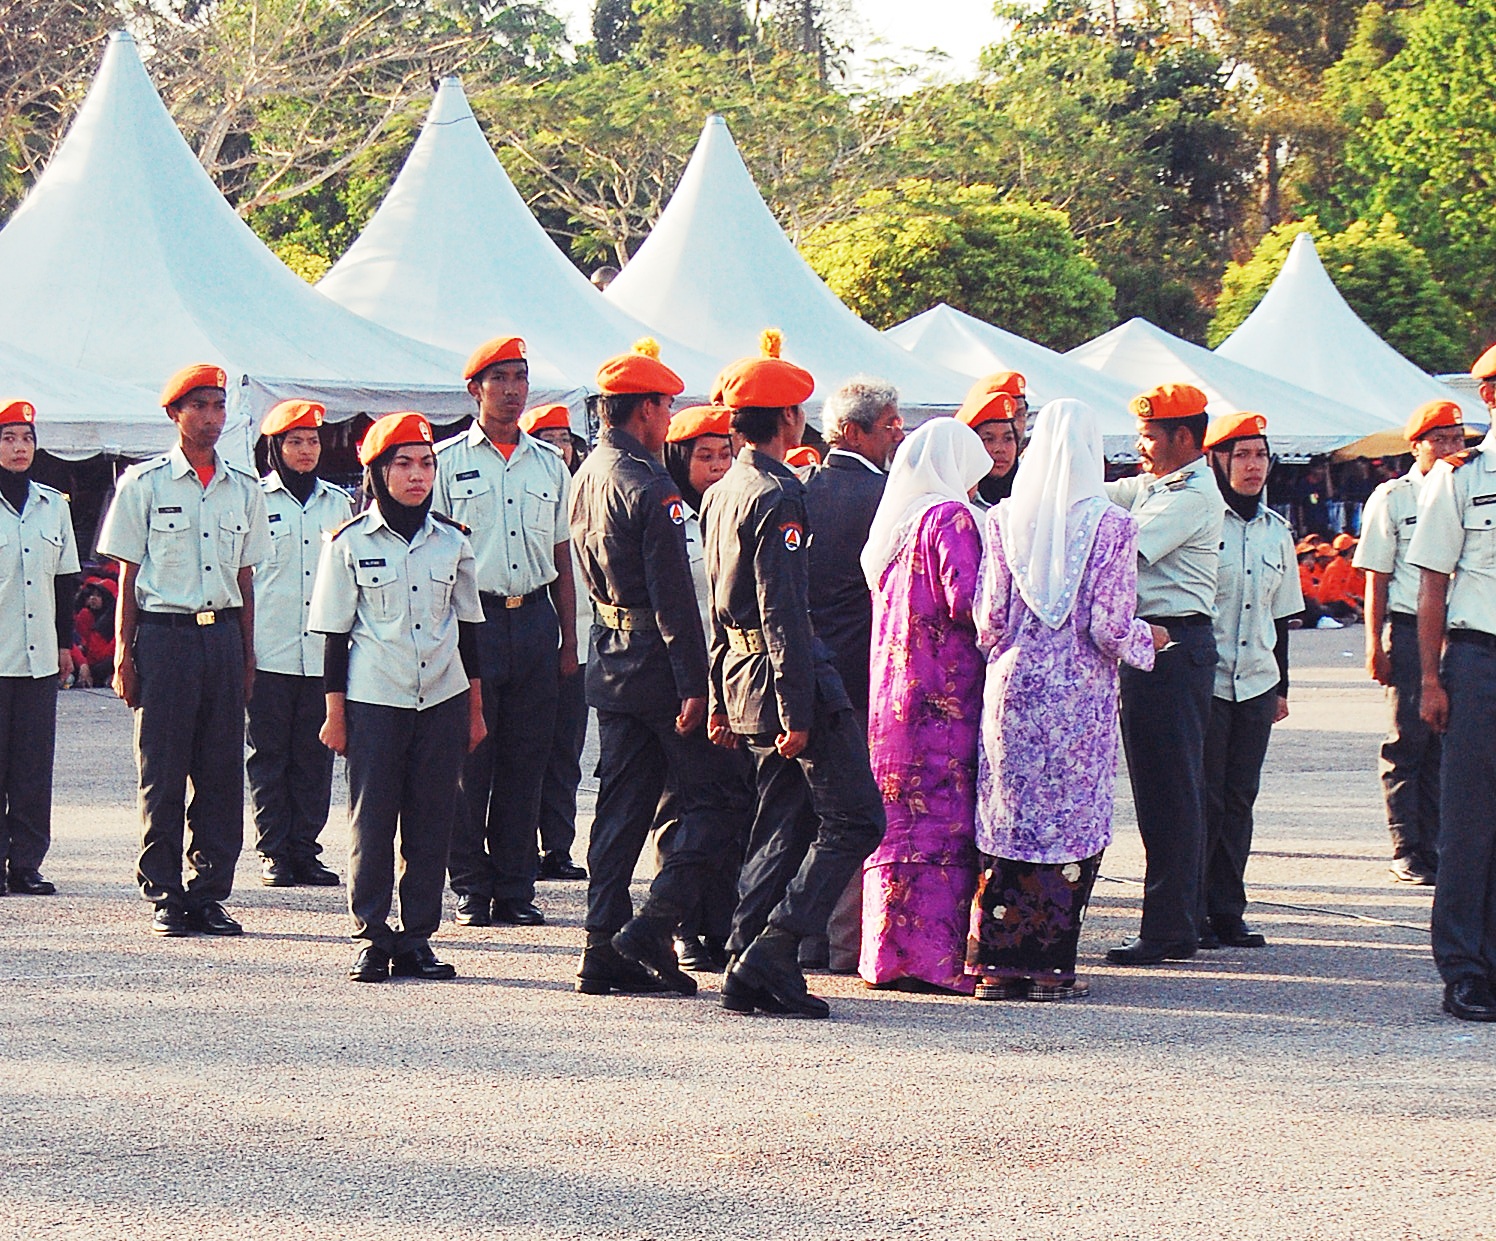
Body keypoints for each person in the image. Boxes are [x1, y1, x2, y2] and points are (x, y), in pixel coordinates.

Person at [701, 338, 886, 1019]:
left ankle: (746, 956)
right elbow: (782, 606)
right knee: (857, 817)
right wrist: (798, 706)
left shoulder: (724, 489)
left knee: (781, 824)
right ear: (787, 420)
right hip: (792, 675)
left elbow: (718, 605)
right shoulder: (780, 492)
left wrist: (723, 696)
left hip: (745, 676)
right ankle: (772, 949)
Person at [967, 399, 1162, 999]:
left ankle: (996, 965)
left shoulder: (1000, 521)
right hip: (1079, 697)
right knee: (1068, 824)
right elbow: (1109, 627)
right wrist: (1148, 642)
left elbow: (988, 622)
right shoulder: (1113, 527)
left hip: (1013, 692)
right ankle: (1050, 966)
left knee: (1011, 819)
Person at [569, 341, 740, 997]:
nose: (670, 419)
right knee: (716, 799)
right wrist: (697, 685)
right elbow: (674, 597)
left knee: (620, 808)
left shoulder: (589, 472)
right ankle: (651, 926)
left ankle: (600, 942)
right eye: (666, 406)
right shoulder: (649, 484)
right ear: (644, 410)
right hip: (661, 665)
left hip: (612, 657)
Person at [310, 412, 486, 983]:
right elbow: (335, 635)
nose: (417, 476)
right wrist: (335, 714)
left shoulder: (453, 541)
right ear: (378, 472)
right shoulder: (346, 543)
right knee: (373, 819)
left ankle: (416, 937)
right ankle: (371, 933)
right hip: (374, 697)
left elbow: (469, 630)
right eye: (404, 464)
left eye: (427, 464)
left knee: (433, 819)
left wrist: (475, 710)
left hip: (442, 696)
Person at [98, 364, 271, 937]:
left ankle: (210, 891)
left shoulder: (244, 488)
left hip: (220, 634)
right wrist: (124, 654)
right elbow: (128, 574)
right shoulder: (144, 484)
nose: (211, 418)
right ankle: (165, 890)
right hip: (165, 634)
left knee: (221, 770)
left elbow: (245, 580)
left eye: (219, 406)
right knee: (163, 769)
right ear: (174, 413)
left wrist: (246, 657)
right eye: (198, 406)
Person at [437, 336, 577, 928]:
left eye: (521, 377)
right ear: (476, 390)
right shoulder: (442, 463)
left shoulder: (550, 464)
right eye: (501, 379)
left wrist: (569, 639)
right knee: (473, 758)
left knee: (528, 760)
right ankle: (471, 882)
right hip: (474, 621)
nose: (514, 389)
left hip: (534, 617)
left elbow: (564, 557)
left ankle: (517, 885)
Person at [858, 418, 989, 994]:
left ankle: (886, 955)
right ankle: (935, 960)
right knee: (942, 820)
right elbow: (969, 600)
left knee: (898, 824)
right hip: (944, 693)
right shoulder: (950, 518)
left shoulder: (898, 522)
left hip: (892, 695)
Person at [1103, 382, 1226, 964]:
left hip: (1172, 645)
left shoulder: (1193, 495)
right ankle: (1177, 919)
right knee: (1166, 788)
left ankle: (1171, 927)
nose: (1139, 446)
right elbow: (1100, 494)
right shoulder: (1159, 485)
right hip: (1154, 644)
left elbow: (1123, 547)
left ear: (1182, 436)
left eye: (1148, 435)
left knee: (1170, 791)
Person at [797, 375, 905, 973]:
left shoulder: (801, 488)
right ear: (852, 431)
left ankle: (799, 936)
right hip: (860, 675)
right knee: (850, 813)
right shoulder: (885, 500)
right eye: (889, 425)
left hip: (799, 669)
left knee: (801, 811)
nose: (898, 434)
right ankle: (841, 943)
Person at [1407, 345, 1496, 1022]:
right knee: (1468, 819)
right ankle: (1464, 968)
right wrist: (1431, 677)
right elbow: (1432, 584)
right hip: (1478, 658)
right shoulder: (1461, 477)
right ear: (1488, 397)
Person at [1199, 413, 1304, 950]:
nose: (1253, 466)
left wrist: (1282, 686)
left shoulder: (1277, 531)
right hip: (1209, 681)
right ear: (1217, 460)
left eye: (1260, 455)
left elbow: (1281, 616)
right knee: (1205, 798)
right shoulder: (1201, 521)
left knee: (1240, 798)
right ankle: (1192, 909)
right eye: (1240, 455)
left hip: (1258, 681)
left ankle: (1228, 910)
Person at [1354, 399, 1466, 886]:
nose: (1448, 448)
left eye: (1456, 438)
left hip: (1458, 628)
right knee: (1407, 742)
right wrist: (1374, 642)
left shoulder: (1467, 485)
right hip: (1405, 625)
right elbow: (1377, 575)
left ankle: (1436, 844)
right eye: (1438, 439)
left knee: (1445, 743)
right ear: (1416, 445)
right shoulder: (1394, 497)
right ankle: (1405, 846)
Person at [658, 402, 751, 972]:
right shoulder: (671, 515)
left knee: (735, 804)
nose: (717, 467)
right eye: (704, 457)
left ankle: (723, 922)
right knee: (684, 806)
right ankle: (683, 926)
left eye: (725, 454)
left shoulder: (736, 507)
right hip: (687, 678)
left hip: (737, 677)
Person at [246, 399, 352, 888]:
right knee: (270, 754)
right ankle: (274, 850)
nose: (306, 450)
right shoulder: (254, 499)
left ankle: (306, 848)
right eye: (295, 442)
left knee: (315, 756)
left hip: (322, 651)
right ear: (276, 448)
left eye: (312, 441)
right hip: (269, 647)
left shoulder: (338, 504)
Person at [0, 398, 79, 896]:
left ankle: (25, 863)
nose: (19, 447)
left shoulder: (54, 505)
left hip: (38, 657)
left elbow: (66, 582)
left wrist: (67, 645)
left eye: (26, 438)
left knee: (32, 767)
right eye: (8, 438)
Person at [517, 402, 589, 883]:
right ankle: (515, 848)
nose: (560, 447)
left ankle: (557, 846)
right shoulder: (532, 490)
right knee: (523, 752)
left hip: (580, 637)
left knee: (565, 751)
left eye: (565, 438)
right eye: (550, 438)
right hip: (536, 628)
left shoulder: (588, 488)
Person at [958, 372, 1027, 508]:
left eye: (1021, 414)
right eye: (989, 439)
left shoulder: (1032, 484)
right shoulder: (959, 500)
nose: (1000, 448)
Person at [70, 574, 118, 688]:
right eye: (90, 595)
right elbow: (95, 653)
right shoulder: (86, 615)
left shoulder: (112, 618)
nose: (93, 598)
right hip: (93, 664)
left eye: (98, 596)